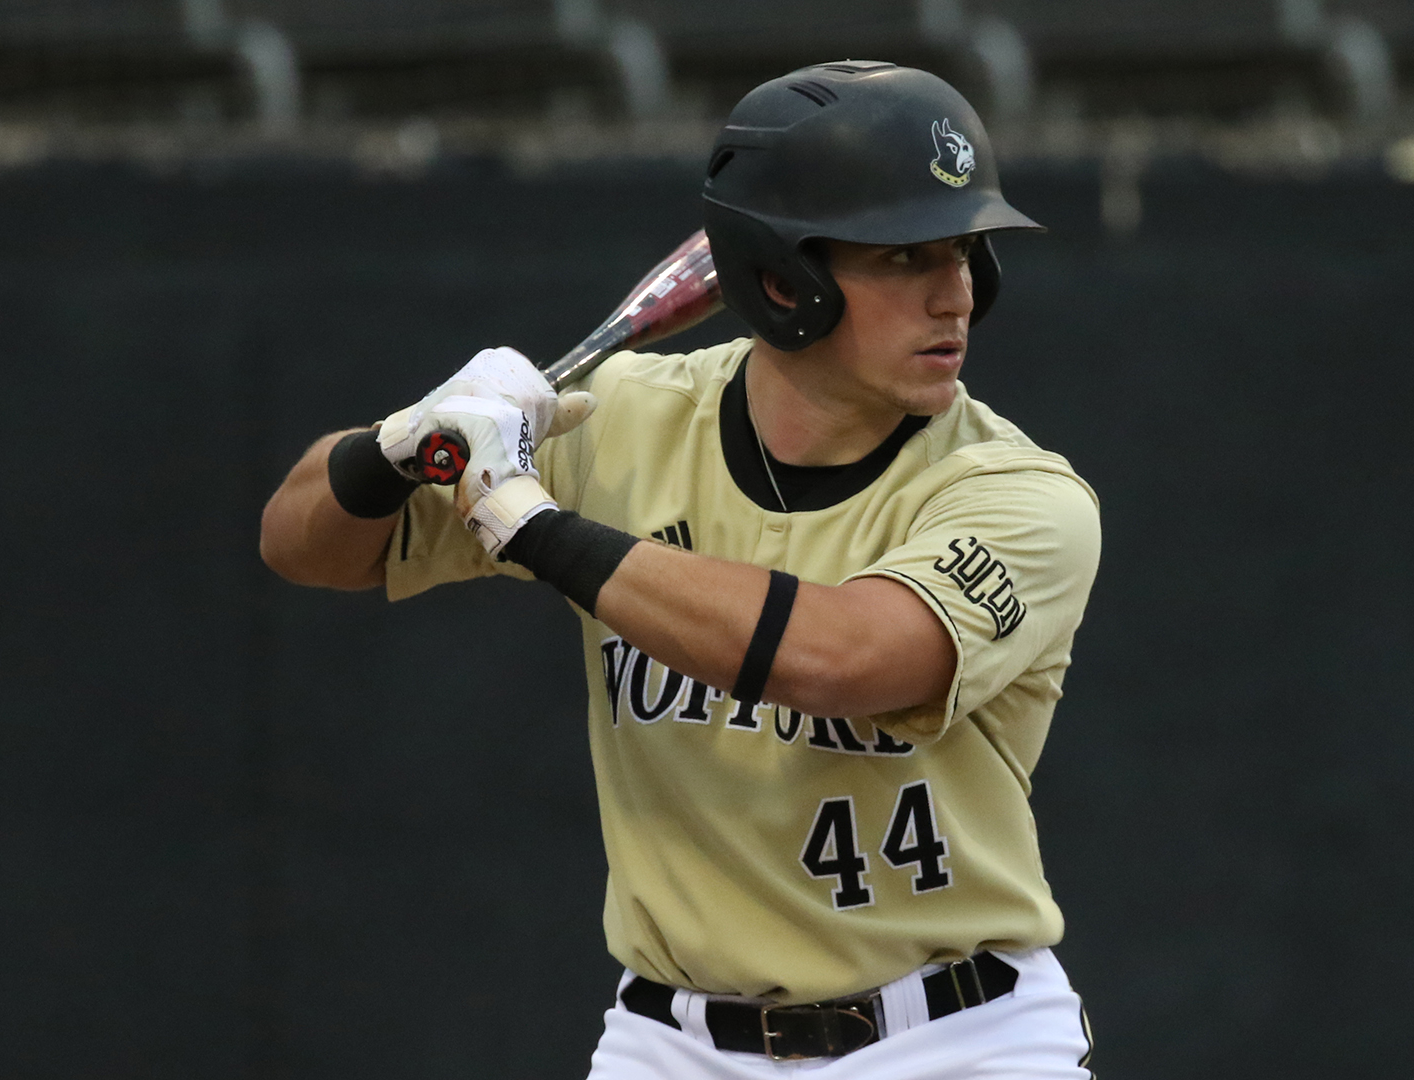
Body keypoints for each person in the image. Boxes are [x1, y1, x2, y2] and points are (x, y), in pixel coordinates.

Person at [260, 61, 1102, 1079]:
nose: (956, 291)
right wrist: (400, 445)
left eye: (965, 248)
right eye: (903, 253)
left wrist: (530, 521)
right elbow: (302, 544)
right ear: (784, 281)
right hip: (676, 1045)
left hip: (957, 1037)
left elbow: (838, 654)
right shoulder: (619, 422)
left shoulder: (1021, 495)